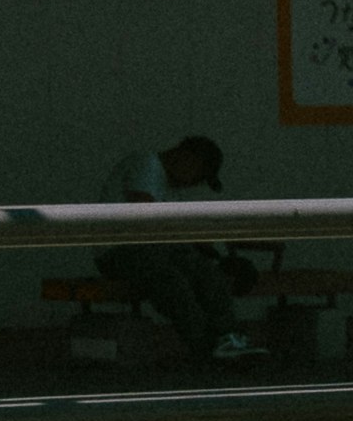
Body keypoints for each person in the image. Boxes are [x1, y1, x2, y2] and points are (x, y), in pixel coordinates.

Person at [103, 130, 255, 364]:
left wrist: (206, 249)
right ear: (187, 159)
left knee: (205, 272)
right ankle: (207, 347)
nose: (194, 183)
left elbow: (165, 230)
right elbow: (142, 216)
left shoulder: (167, 185)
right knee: (173, 282)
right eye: (198, 176)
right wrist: (190, 241)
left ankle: (228, 338)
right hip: (120, 250)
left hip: (150, 250)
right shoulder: (148, 165)